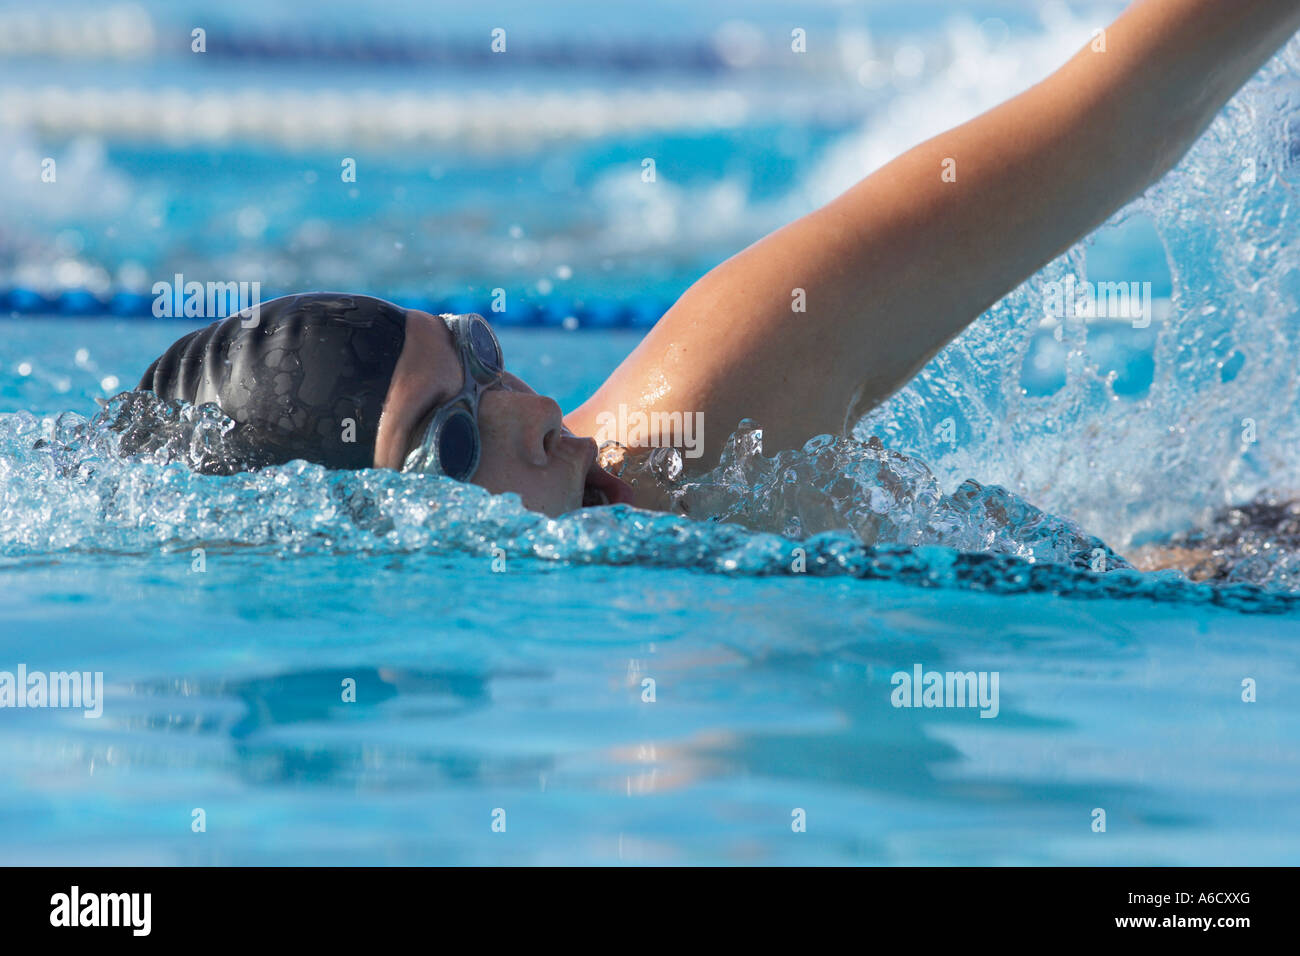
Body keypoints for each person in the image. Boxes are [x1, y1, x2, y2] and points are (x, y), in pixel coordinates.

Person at [135, 0, 1300, 519]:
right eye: (450, 442)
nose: (532, 411)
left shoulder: (698, 413)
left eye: (481, 359)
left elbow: (1111, 113)